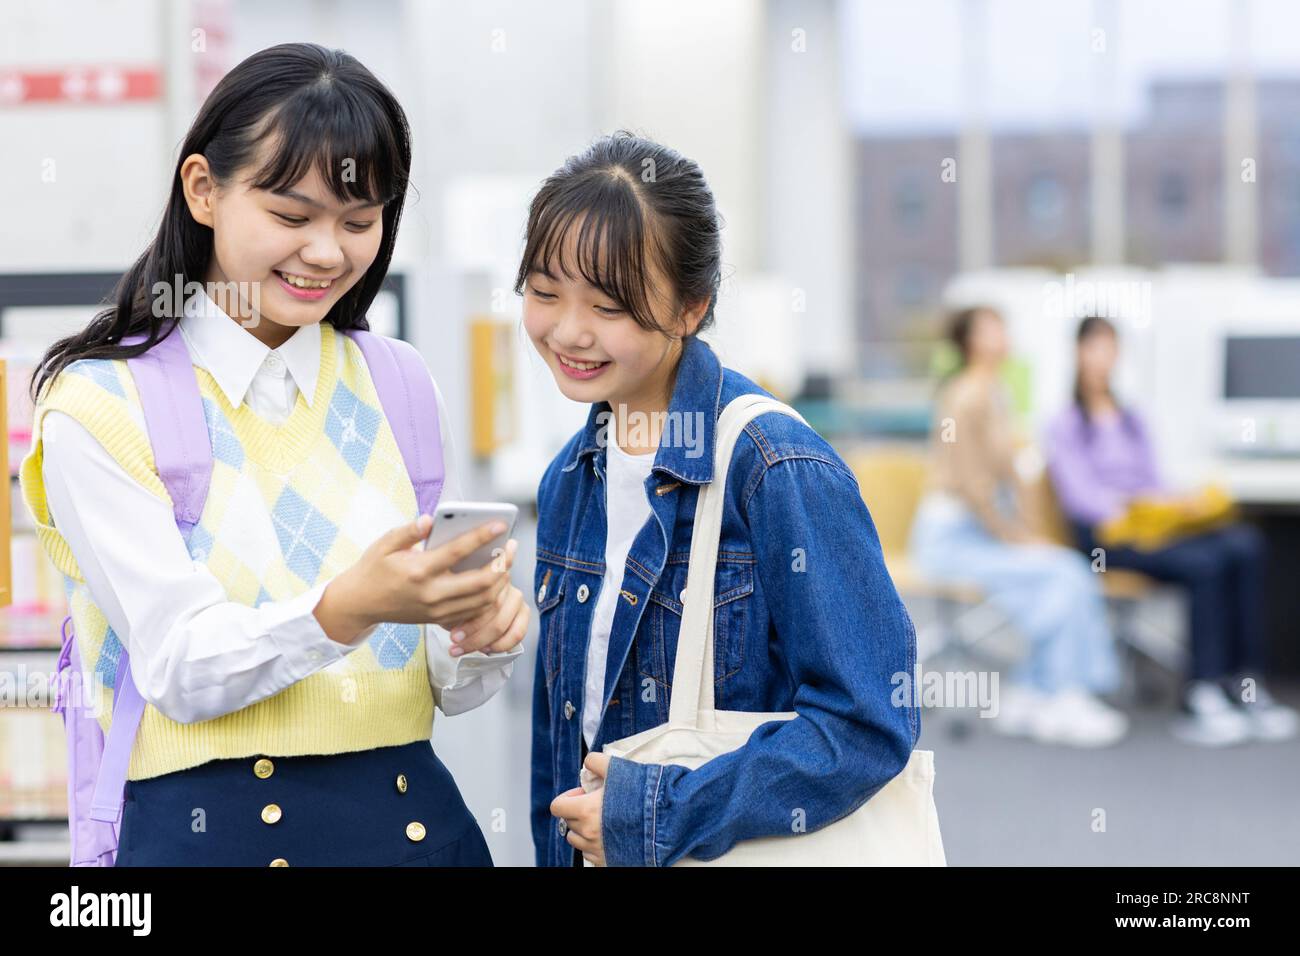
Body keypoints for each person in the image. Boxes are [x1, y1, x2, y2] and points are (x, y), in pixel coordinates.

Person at [20, 43, 528, 866]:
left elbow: (437, 684)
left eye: (359, 223)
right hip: (211, 834)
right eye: (292, 217)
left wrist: (476, 639)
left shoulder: (398, 382)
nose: (328, 252)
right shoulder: (102, 405)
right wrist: (346, 608)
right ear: (203, 189)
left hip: (414, 827)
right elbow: (179, 664)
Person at [523, 132, 919, 867]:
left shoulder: (775, 468)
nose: (568, 331)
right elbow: (565, 751)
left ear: (689, 308)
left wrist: (659, 813)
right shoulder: (568, 479)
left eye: (608, 306)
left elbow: (869, 721)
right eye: (545, 293)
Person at [1046, 315, 1298, 745]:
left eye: (1111, 347)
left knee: (1244, 544)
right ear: (1078, 353)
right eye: (1095, 347)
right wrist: (1140, 506)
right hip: (1107, 537)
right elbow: (1082, 499)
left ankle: (1245, 684)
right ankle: (1201, 691)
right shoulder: (1065, 424)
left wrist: (1180, 502)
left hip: (1155, 526)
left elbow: (1153, 479)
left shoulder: (1132, 419)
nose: (1103, 358)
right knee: (1204, 561)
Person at [909, 306, 1128, 747]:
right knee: (1060, 573)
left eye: (1003, 328)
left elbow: (1010, 477)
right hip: (954, 537)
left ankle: (1040, 688)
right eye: (991, 330)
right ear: (969, 341)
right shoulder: (964, 395)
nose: (1003, 337)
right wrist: (1016, 538)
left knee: (1067, 570)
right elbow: (973, 486)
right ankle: (1058, 691)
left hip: (985, 531)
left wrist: (1027, 533)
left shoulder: (997, 392)